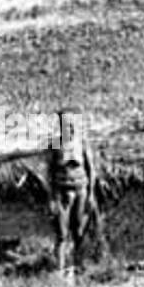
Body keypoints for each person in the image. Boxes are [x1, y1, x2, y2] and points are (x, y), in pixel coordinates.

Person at [45, 107, 99, 277]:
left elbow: (91, 170)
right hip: (61, 191)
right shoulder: (55, 143)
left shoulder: (82, 143)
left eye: (72, 122)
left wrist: (90, 194)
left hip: (80, 189)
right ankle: (60, 270)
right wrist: (52, 197)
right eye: (65, 123)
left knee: (79, 232)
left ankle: (78, 267)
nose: (69, 126)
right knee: (61, 233)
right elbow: (49, 172)